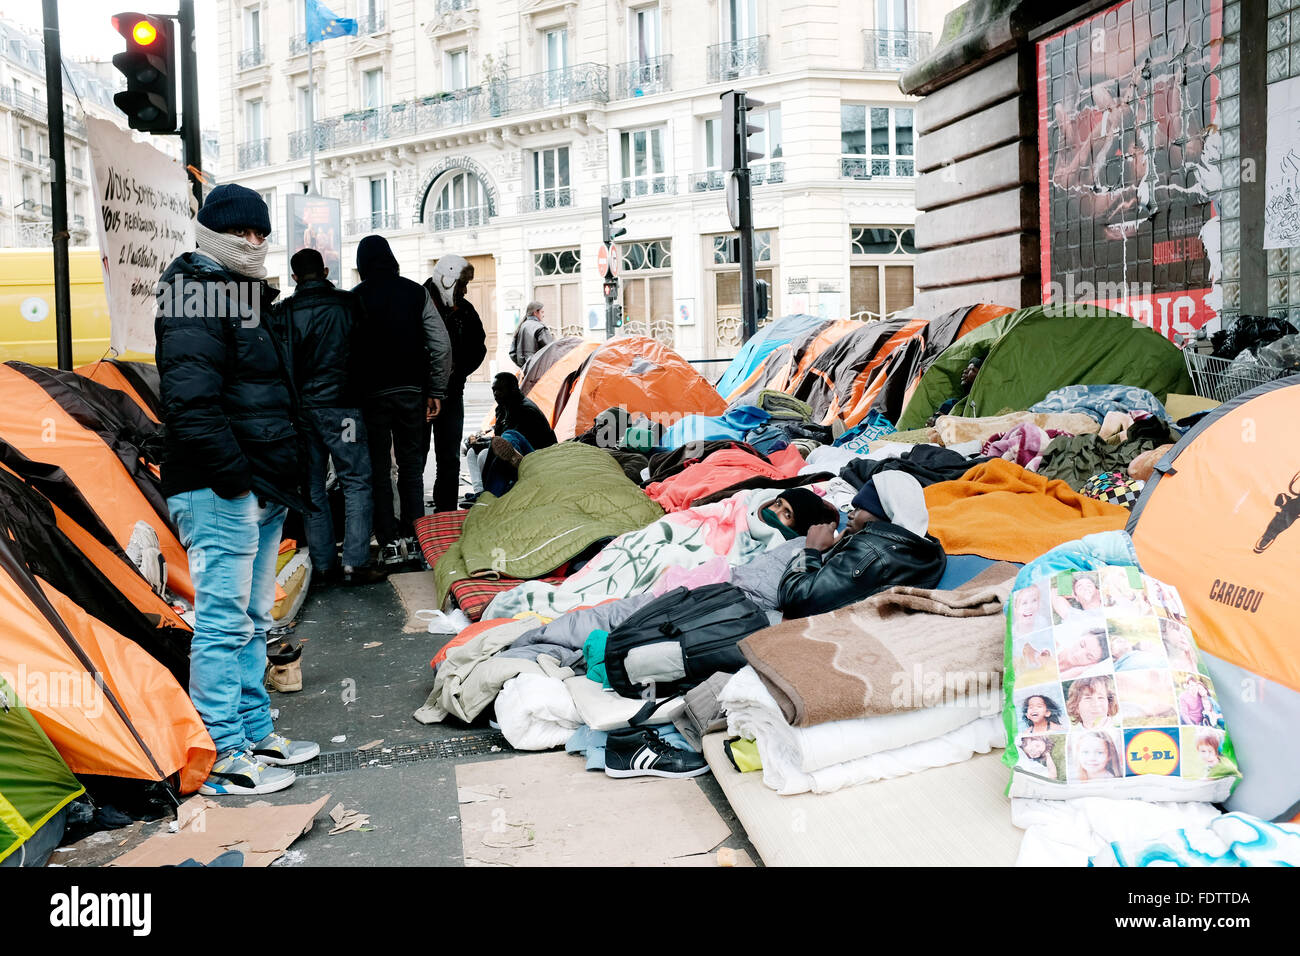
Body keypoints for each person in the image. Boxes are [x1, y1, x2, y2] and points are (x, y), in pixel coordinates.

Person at [155, 183, 318, 795]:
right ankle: (222, 752)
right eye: (246, 234)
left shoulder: (238, 292)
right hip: (221, 487)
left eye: (262, 234)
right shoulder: (196, 291)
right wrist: (237, 483)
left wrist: (269, 482)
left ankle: (253, 733)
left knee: (250, 619)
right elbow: (191, 406)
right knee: (224, 622)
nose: (257, 244)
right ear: (218, 233)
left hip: (256, 483)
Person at [276, 248, 384, 586]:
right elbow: (368, 354)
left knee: (311, 488)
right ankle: (355, 562)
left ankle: (323, 566)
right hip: (345, 408)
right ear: (324, 271)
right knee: (356, 480)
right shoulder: (348, 304)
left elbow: (279, 364)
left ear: (295, 277)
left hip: (304, 412)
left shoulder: (284, 312)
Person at [352, 235, 452, 565]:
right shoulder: (416, 293)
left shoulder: (354, 298)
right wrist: (436, 390)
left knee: (379, 470)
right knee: (412, 467)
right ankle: (416, 538)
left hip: (371, 397)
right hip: (412, 392)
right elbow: (441, 346)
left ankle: (390, 543)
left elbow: (345, 353)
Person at [778, 472, 947, 618]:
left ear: (886, 514)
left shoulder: (871, 551)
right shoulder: (924, 546)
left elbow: (794, 597)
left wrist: (810, 549)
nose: (850, 514)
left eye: (859, 508)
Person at [425, 255, 487, 513]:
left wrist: (458, 372)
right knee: (414, 460)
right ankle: (414, 520)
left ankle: (446, 513)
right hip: (421, 395)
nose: (464, 290)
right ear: (447, 280)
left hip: (451, 393)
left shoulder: (466, 310)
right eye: (461, 285)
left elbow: (479, 347)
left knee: (449, 458)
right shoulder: (419, 301)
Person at [479, 372, 558, 497]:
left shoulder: (526, 411)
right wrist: (480, 442)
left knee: (506, 440)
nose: (496, 394)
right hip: (514, 453)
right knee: (475, 453)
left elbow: (511, 443)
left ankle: (490, 494)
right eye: (494, 390)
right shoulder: (502, 407)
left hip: (536, 456)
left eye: (500, 389)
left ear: (513, 389)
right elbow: (498, 439)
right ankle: (482, 491)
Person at [509, 299, 555, 370]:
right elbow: (552, 350)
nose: (543, 315)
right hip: (539, 372)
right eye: (542, 312)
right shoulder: (540, 328)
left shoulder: (521, 327)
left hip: (525, 372)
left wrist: (523, 365)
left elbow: (512, 353)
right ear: (535, 312)